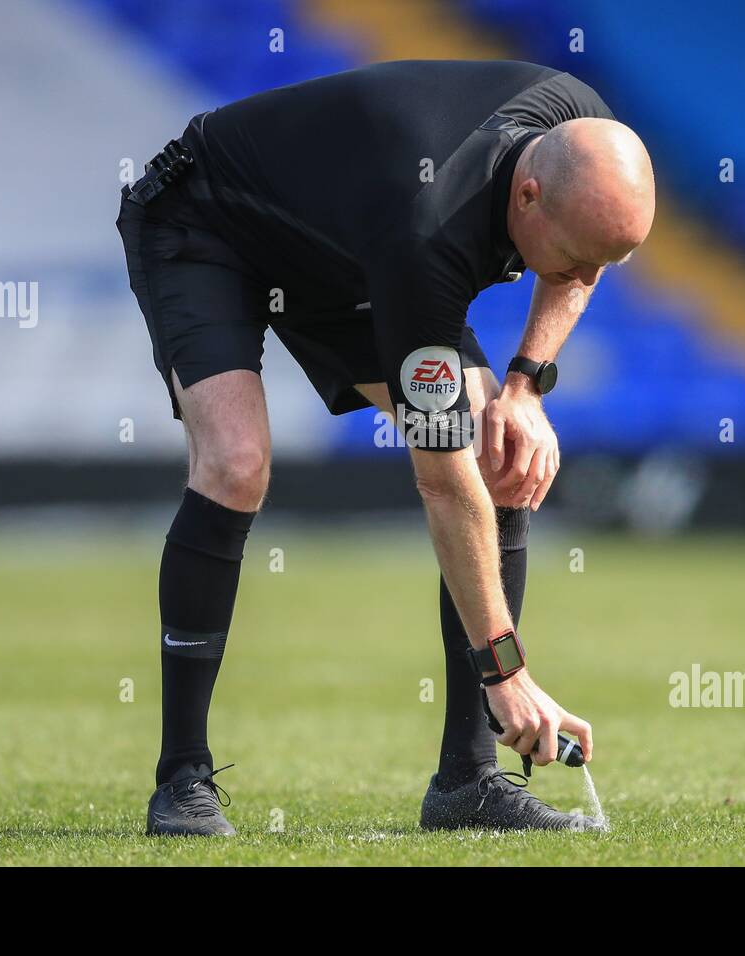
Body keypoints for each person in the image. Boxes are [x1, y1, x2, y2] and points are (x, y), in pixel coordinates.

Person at [116, 59, 655, 835]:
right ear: (528, 195)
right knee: (236, 464)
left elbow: (585, 261)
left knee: (499, 452)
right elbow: (440, 484)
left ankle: (468, 783)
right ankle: (181, 780)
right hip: (207, 221)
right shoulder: (429, 229)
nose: (582, 277)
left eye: (603, 263)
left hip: (343, 249)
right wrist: (507, 670)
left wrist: (528, 383)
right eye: (573, 258)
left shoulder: (582, 133)